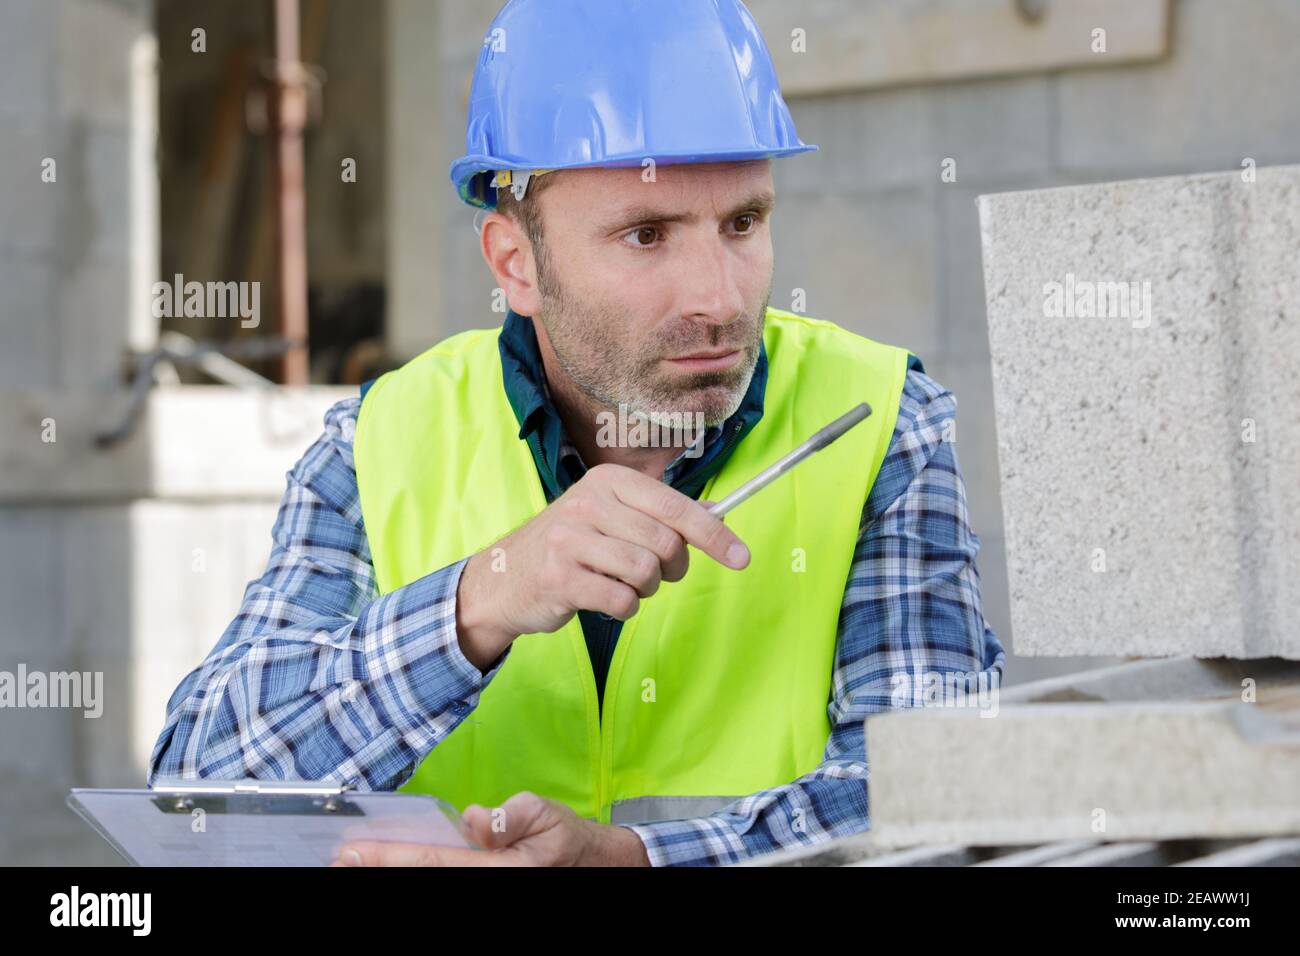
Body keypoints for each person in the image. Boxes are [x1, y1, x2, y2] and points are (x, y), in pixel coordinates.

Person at [150, 0, 1005, 867]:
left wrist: (633, 858)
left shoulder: (882, 420)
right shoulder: (376, 443)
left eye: (742, 222)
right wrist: (475, 604)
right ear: (515, 263)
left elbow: (935, 801)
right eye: (646, 234)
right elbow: (202, 793)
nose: (718, 297)